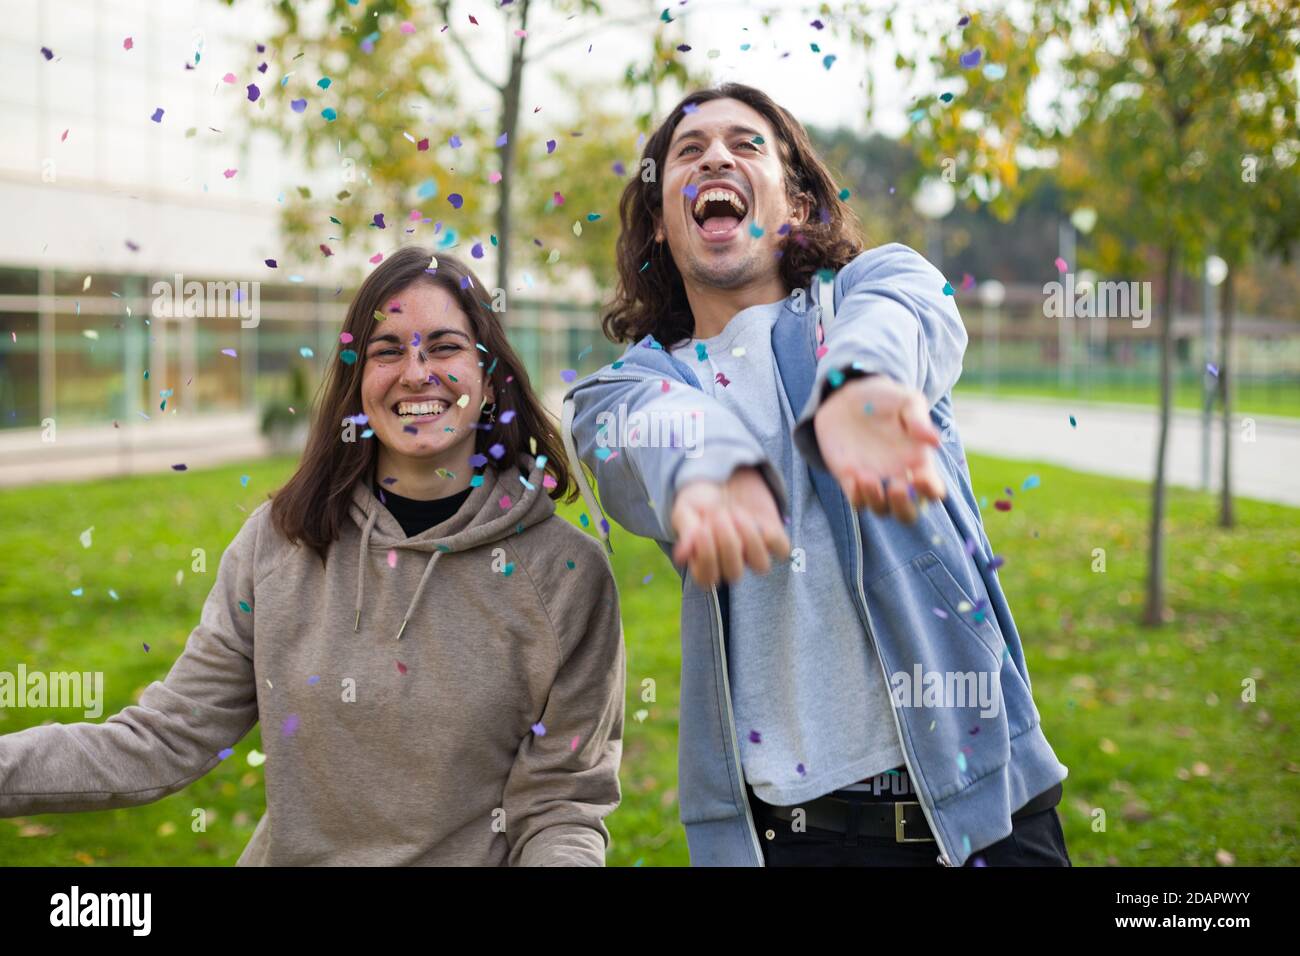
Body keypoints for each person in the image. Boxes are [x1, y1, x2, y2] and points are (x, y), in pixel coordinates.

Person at [561, 83, 1070, 867]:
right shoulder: (625, 388)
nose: (717, 157)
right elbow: (648, 432)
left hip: (988, 811)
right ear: (661, 222)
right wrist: (711, 471)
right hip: (795, 841)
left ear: (796, 201)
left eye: (747, 144)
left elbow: (904, 316)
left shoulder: (870, 291)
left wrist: (857, 386)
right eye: (688, 153)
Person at [0, 248, 625, 866]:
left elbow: (562, 806)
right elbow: (165, 738)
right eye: (387, 350)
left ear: (490, 381)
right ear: (358, 385)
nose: (415, 372)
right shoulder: (280, 541)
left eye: (443, 346)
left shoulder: (566, 576)